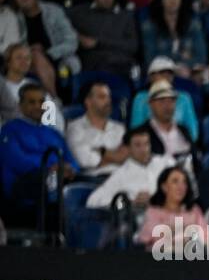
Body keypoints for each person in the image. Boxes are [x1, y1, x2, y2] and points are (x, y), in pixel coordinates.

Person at [0, 83, 78, 224]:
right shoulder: (9, 129)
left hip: (54, 180)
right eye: (31, 102)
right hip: (22, 185)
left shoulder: (54, 133)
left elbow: (72, 160)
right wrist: (51, 168)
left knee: (76, 182)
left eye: (41, 102)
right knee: (43, 179)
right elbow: (17, 161)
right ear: (20, 105)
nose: (37, 106)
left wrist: (70, 170)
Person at [11, 0, 79, 94]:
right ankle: (53, 101)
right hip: (28, 62)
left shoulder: (54, 11)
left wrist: (47, 53)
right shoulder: (14, 18)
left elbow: (72, 41)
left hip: (59, 58)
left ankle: (53, 99)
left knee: (37, 55)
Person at [140, 0, 209, 83]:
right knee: (184, 74)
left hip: (191, 70)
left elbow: (202, 57)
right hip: (161, 72)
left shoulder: (193, 23)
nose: (173, 0)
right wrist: (179, 61)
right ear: (161, 0)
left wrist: (185, 65)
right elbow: (151, 59)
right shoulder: (150, 26)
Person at [68, 0, 139, 80]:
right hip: (94, 66)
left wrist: (98, 42)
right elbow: (62, 27)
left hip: (121, 66)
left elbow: (132, 46)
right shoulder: (80, 13)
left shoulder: (125, 16)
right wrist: (77, 36)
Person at [86, 124, 168, 212]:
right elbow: (92, 202)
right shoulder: (121, 175)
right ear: (128, 149)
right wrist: (130, 203)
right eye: (138, 145)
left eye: (146, 144)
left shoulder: (165, 162)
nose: (144, 149)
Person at [67, 81, 128, 178]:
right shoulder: (75, 128)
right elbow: (85, 161)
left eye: (108, 97)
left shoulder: (120, 128)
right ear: (88, 102)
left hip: (122, 177)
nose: (108, 101)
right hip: (93, 180)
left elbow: (128, 157)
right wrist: (115, 156)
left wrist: (101, 151)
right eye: (102, 97)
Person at [129, 57, 199, 142]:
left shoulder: (184, 97)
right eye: (162, 73)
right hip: (150, 147)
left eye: (170, 73)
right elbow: (136, 129)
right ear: (151, 77)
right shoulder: (140, 98)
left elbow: (192, 130)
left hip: (179, 145)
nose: (167, 76)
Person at [138, 164, 205, 250]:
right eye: (175, 181)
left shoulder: (194, 210)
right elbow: (146, 238)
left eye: (184, 182)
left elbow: (205, 237)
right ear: (164, 187)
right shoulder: (153, 212)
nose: (181, 187)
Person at [140, 81, 194, 163]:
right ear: (151, 104)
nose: (167, 106)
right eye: (161, 101)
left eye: (171, 101)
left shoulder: (184, 130)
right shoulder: (142, 133)